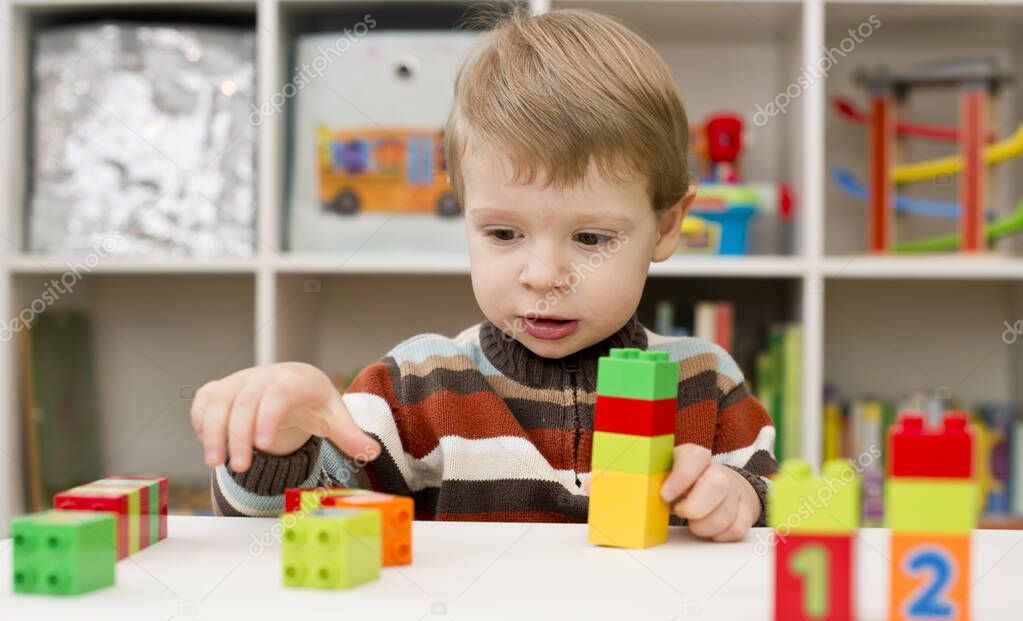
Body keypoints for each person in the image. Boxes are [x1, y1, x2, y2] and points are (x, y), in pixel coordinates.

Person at [194, 6, 777, 541]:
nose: (545, 275)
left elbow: (785, 518)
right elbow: (296, 524)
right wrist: (280, 451)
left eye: (591, 238)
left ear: (668, 226)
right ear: (465, 211)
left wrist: (740, 501)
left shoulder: (707, 385)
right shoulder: (414, 388)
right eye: (503, 234)